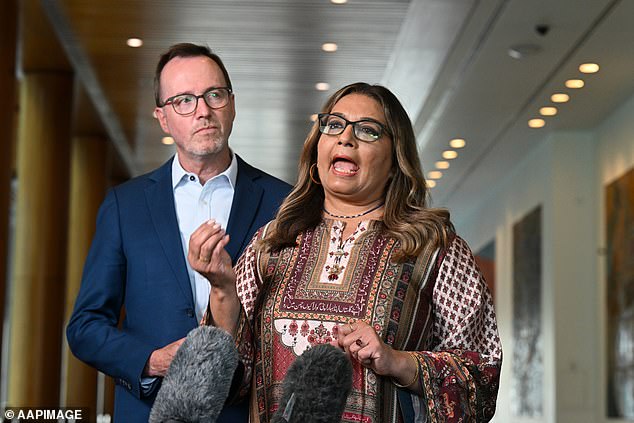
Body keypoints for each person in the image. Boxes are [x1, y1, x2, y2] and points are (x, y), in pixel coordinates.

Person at [190, 82, 502, 422]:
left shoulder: (435, 247)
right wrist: (222, 291)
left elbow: (481, 379)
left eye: (368, 130)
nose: (346, 138)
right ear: (317, 148)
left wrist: (397, 361)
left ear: (395, 160)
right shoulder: (270, 243)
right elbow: (222, 382)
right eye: (334, 125)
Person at [66, 43, 291, 422]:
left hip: (244, 413)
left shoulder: (283, 203)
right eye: (184, 100)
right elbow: (85, 327)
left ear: (232, 104)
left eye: (214, 95)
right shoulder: (125, 205)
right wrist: (153, 360)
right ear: (163, 118)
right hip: (149, 409)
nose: (203, 111)